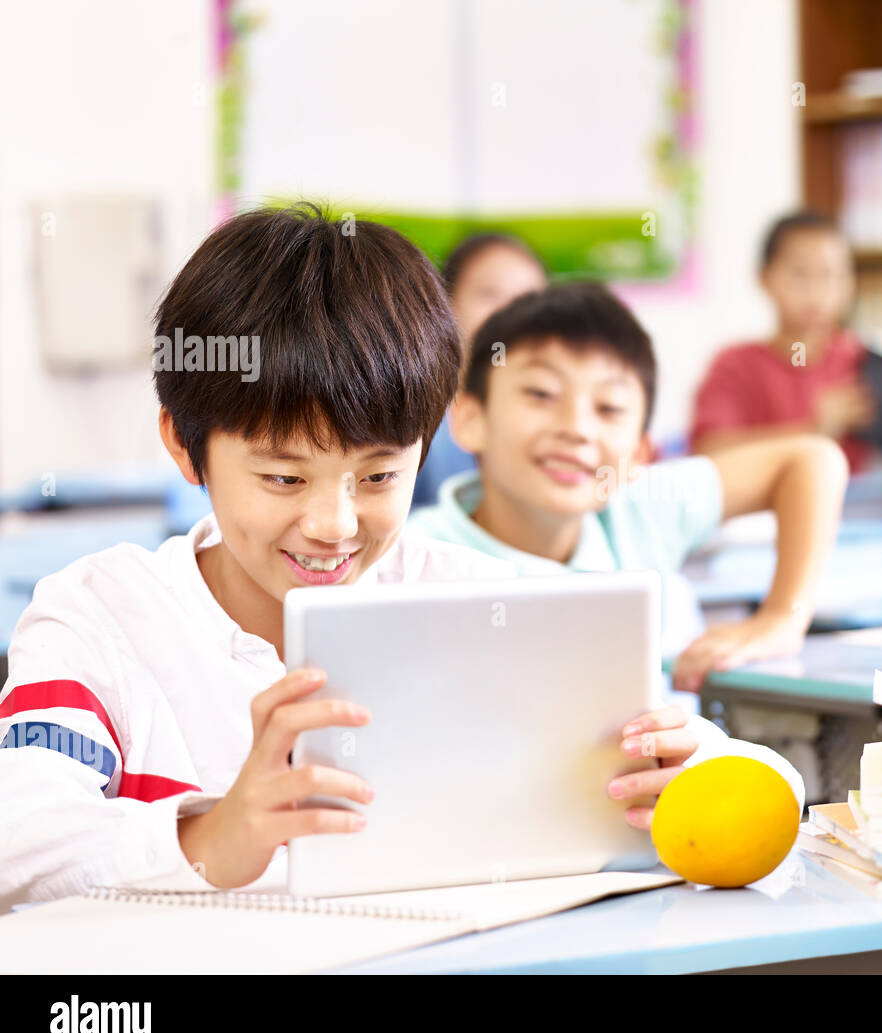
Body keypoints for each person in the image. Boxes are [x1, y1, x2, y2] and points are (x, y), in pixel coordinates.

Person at [0, 205, 802, 908]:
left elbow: (753, 779)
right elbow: (18, 838)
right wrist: (215, 835)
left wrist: (699, 769)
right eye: (284, 476)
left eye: (379, 474)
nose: (334, 522)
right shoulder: (99, 616)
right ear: (185, 444)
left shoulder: (487, 605)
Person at [408, 281, 849, 692]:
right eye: (541, 394)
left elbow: (814, 459)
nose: (577, 428)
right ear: (470, 419)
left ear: (639, 455)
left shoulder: (639, 509)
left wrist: (782, 618)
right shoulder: (412, 560)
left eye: (609, 407)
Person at [689, 209, 882, 473]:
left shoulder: (864, 360)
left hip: (861, 505)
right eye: (800, 274)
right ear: (765, 279)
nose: (817, 292)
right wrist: (815, 429)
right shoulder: (736, 365)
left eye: (831, 275)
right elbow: (709, 453)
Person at [412, 232, 548, 504]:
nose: (511, 311)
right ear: (445, 303)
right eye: (489, 293)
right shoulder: (416, 417)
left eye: (529, 299)